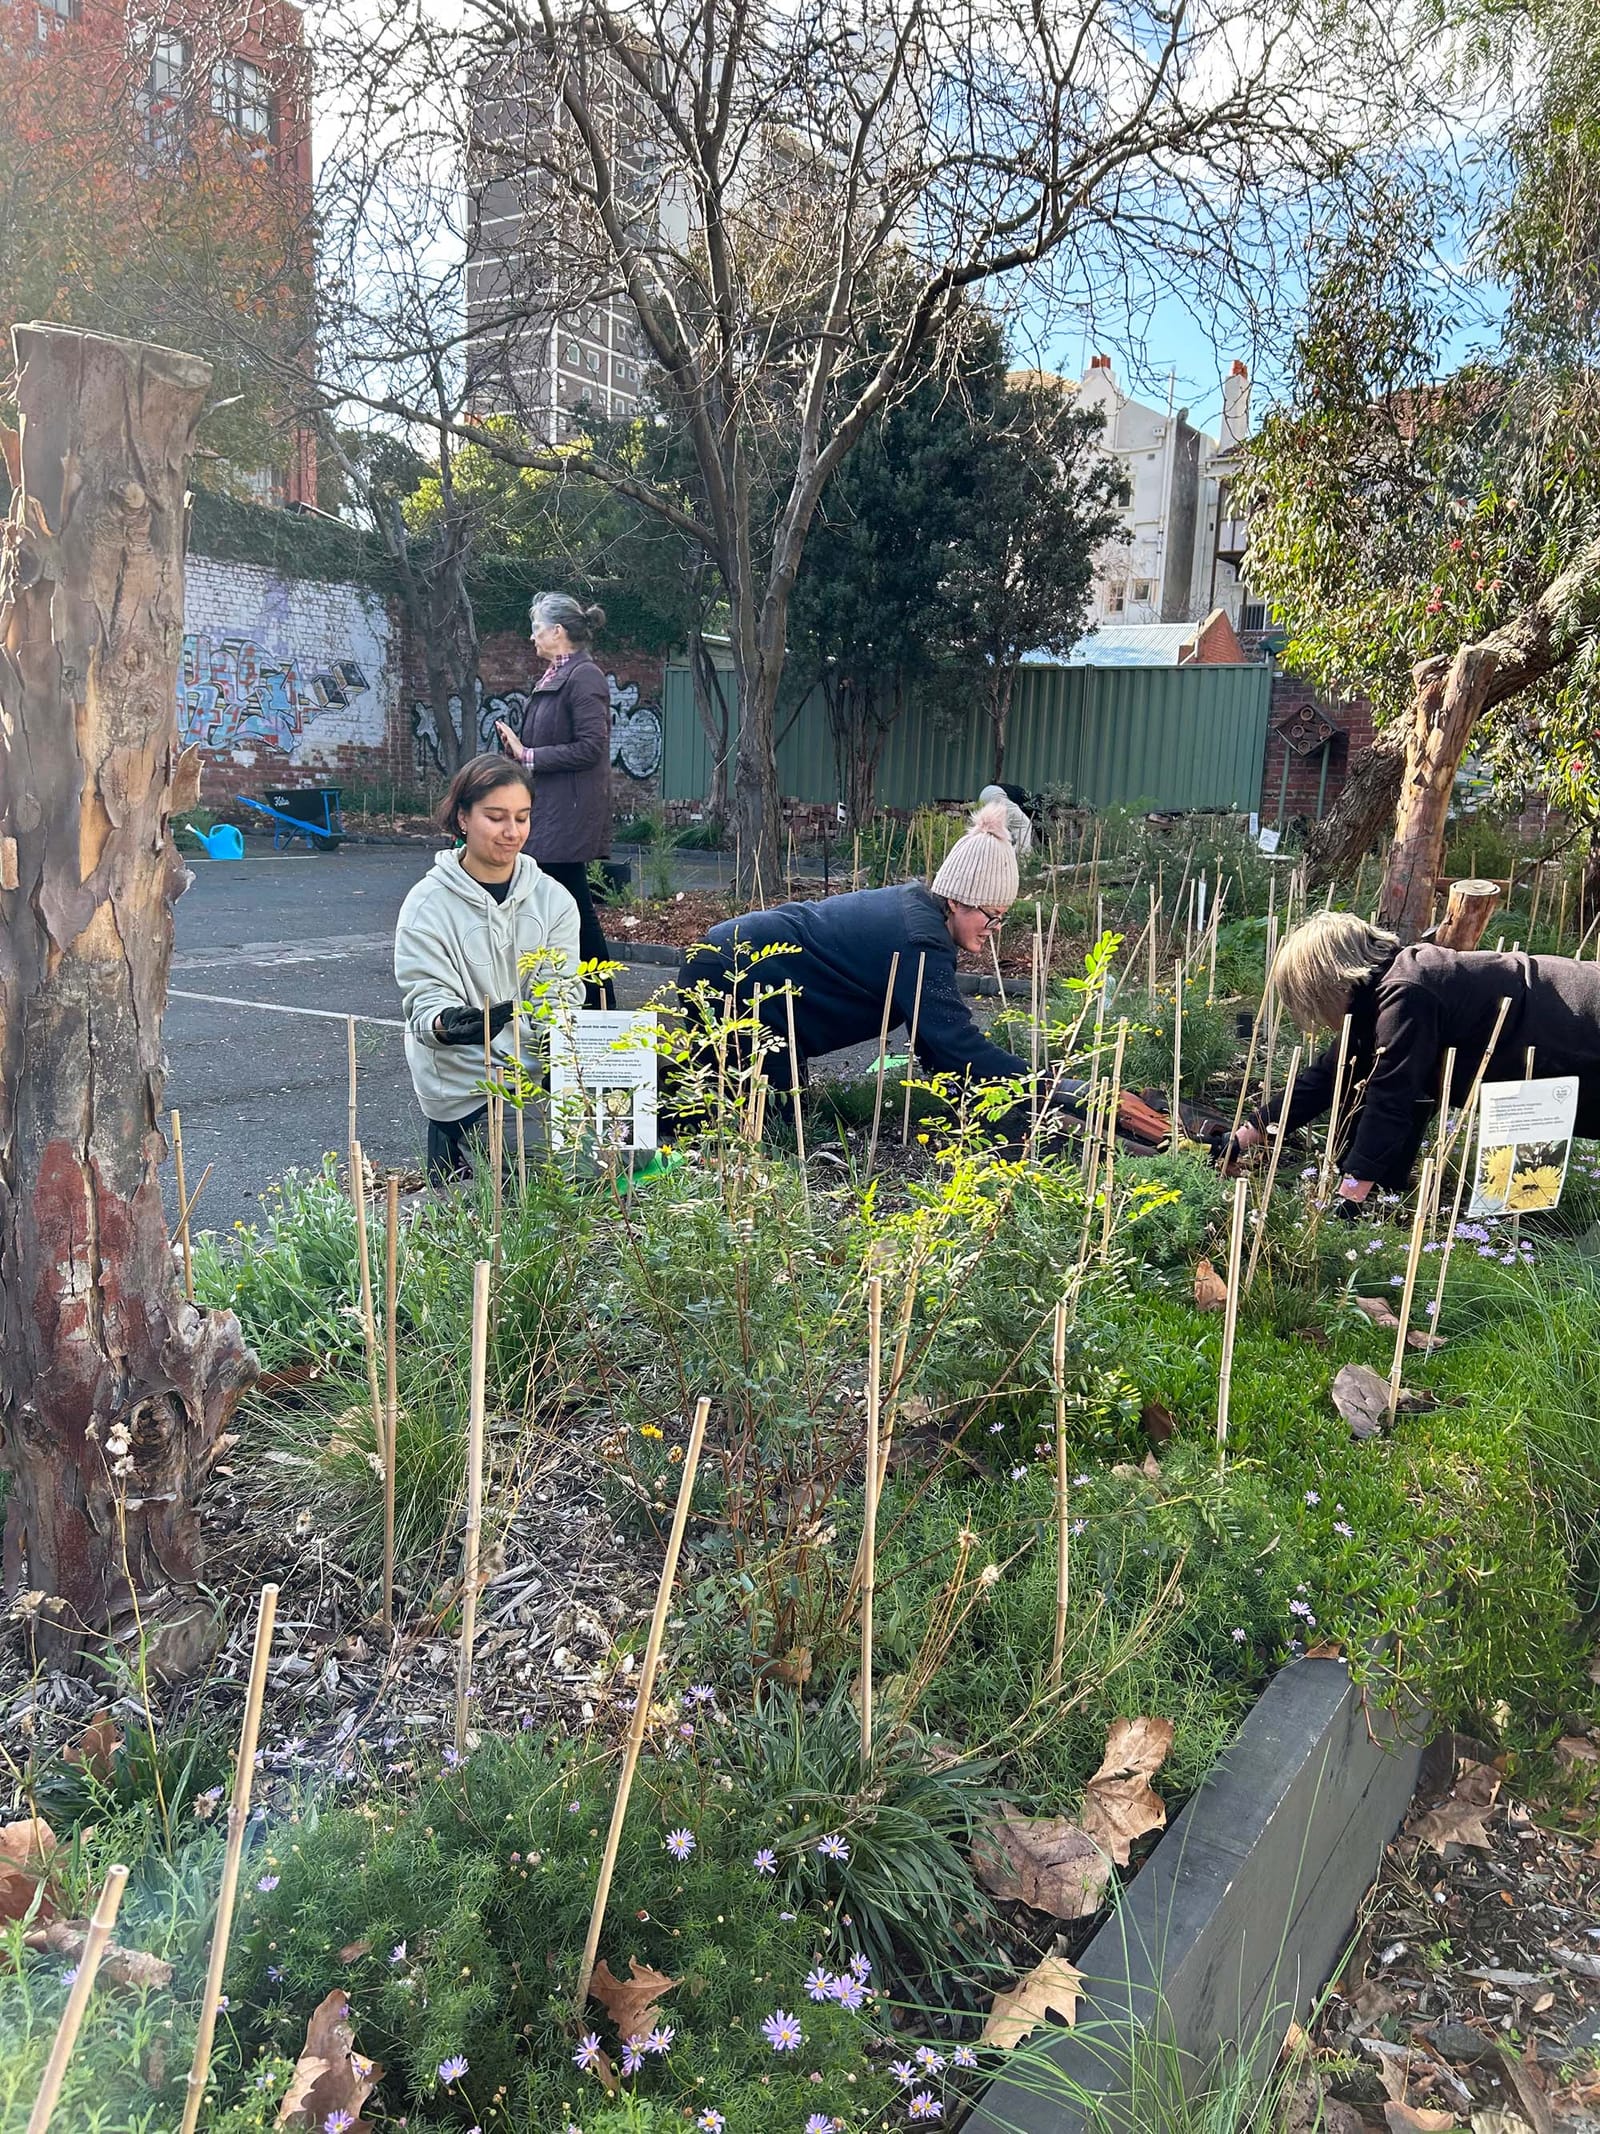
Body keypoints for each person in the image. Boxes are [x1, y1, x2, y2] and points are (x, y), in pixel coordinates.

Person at [671, 799, 1169, 1142]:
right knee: (762, 1131)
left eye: (1002, 917)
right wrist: (1070, 1093)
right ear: (955, 899)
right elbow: (957, 1046)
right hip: (729, 974)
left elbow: (938, 1053)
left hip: (745, 973)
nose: (995, 927)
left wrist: (1007, 1112)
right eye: (989, 915)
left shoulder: (922, 917)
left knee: (759, 1111)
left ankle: (660, 1106)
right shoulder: (920, 942)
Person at [1227, 910, 1600, 1209]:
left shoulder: (1406, 994)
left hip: (1578, 1028)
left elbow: (1391, 1100)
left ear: (1327, 983)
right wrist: (1243, 1137)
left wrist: (1351, 1195)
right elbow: (1324, 1078)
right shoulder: (1382, 991)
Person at [395, 755, 581, 1183]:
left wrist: (559, 1036)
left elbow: (562, 990)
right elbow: (425, 1001)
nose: (512, 832)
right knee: (549, 1185)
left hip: (538, 1085)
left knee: (630, 1153)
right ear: (462, 818)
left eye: (522, 817)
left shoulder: (554, 901)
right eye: (495, 817)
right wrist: (447, 1024)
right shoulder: (427, 905)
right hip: (467, 1091)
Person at [493, 592, 615, 1008]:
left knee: (572, 905)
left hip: (570, 814)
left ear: (558, 631)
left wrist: (529, 755)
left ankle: (600, 1006)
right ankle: (587, 1002)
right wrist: (521, 751)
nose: (532, 637)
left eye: (537, 628)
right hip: (553, 809)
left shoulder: (585, 677)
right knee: (563, 905)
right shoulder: (557, 676)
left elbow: (590, 748)